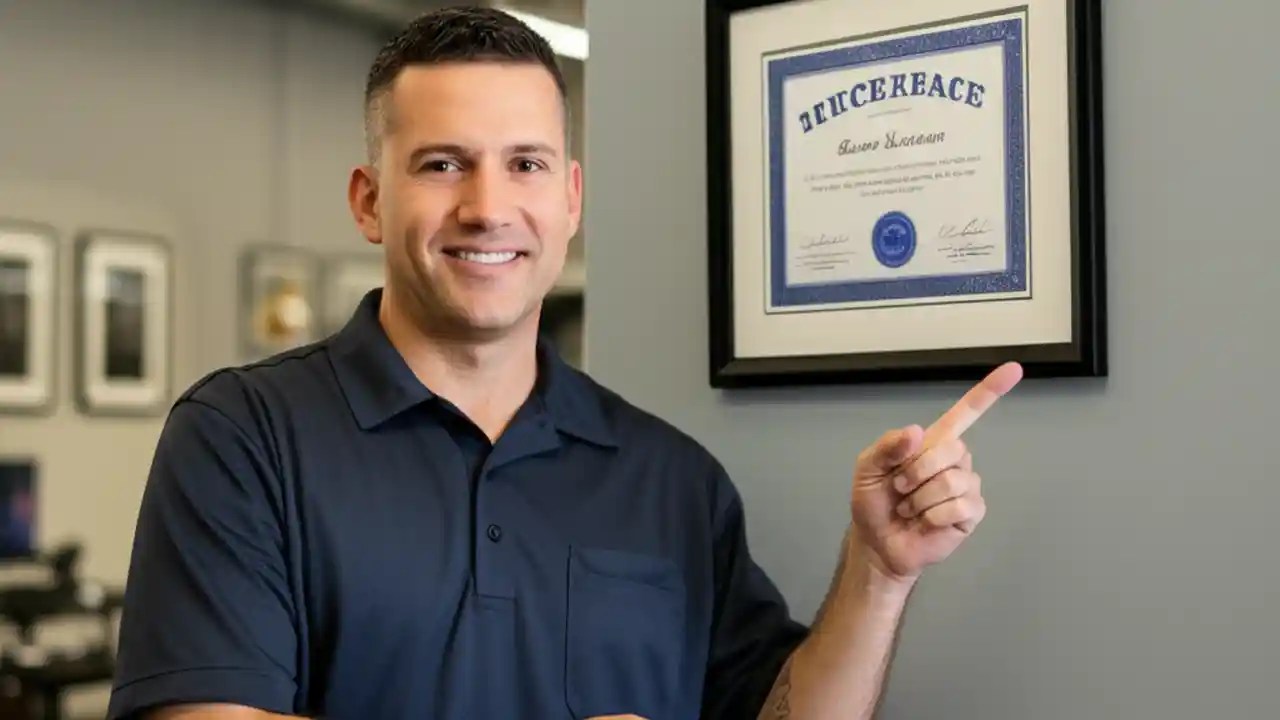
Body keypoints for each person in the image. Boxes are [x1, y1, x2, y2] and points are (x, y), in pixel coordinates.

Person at [105, 6, 1021, 720]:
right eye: (442, 165)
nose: (487, 206)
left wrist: (878, 571)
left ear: (572, 199)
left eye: (527, 164)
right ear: (369, 201)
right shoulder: (243, 440)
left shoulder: (674, 482)